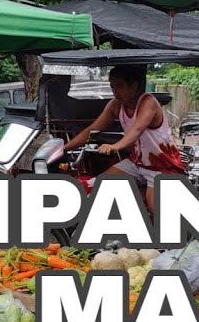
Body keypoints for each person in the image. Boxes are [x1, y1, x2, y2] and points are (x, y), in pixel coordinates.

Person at [61, 65, 187, 215]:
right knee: (100, 184)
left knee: (157, 214)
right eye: (112, 86)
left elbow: (137, 130)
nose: (115, 92)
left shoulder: (148, 102)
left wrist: (115, 146)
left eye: (119, 86)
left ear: (134, 85)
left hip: (162, 167)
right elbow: (92, 131)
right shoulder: (115, 105)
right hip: (136, 164)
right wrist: (63, 149)